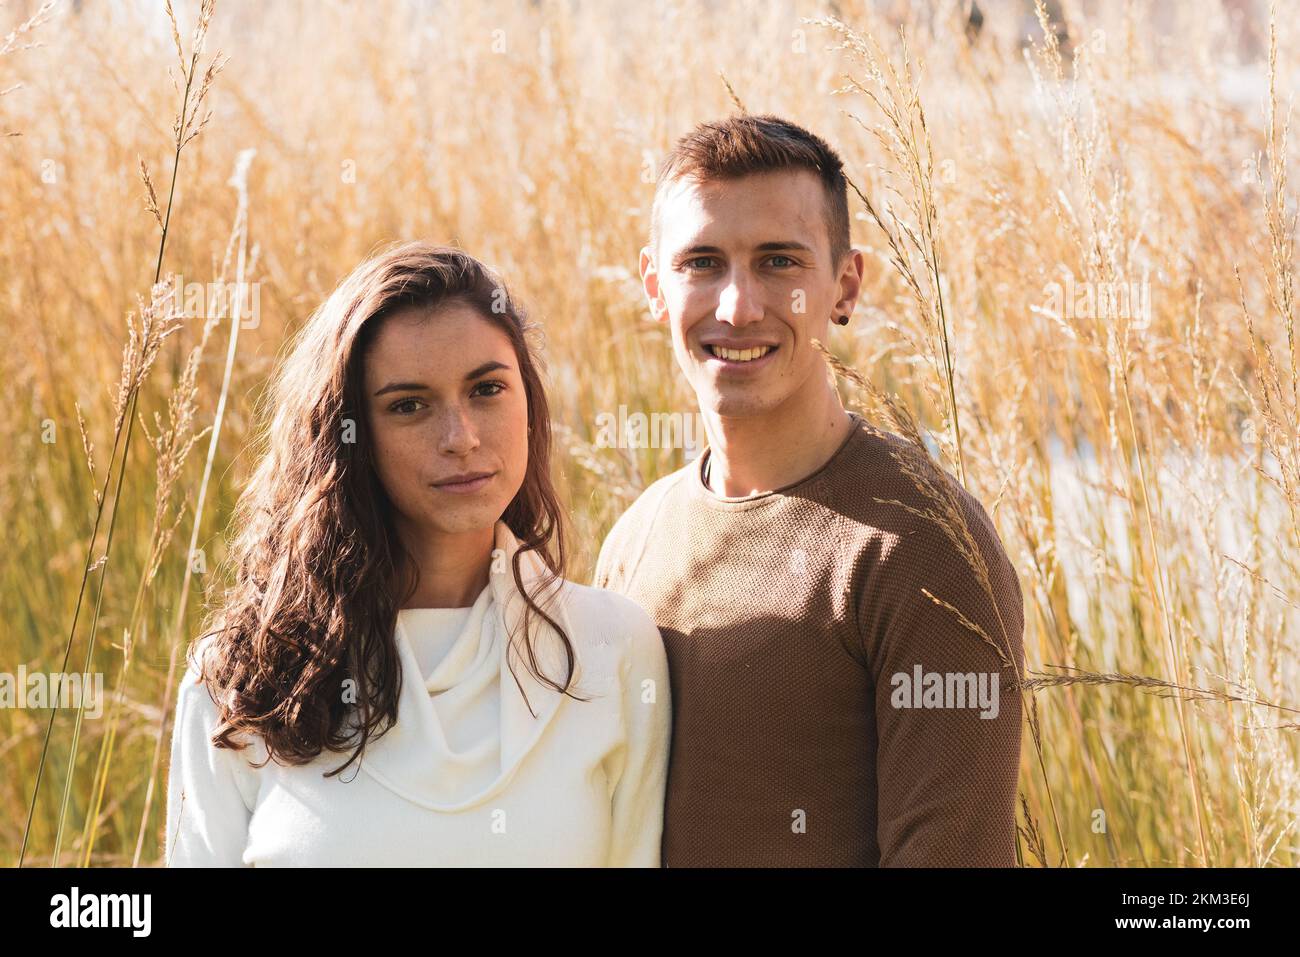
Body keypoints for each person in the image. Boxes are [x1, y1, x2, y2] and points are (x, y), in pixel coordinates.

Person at [594, 114, 1025, 867]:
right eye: (701, 262)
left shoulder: (922, 544)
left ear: (846, 284)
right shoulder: (633, 538)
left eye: (778, 262)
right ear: (654, 286)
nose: (737, 306)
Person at [166, 242, 670, 866]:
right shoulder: (245, 673)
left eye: (486, 389)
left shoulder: (611, 648)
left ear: (530, 402)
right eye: (409, 405)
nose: (461, 437)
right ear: (347, 434)